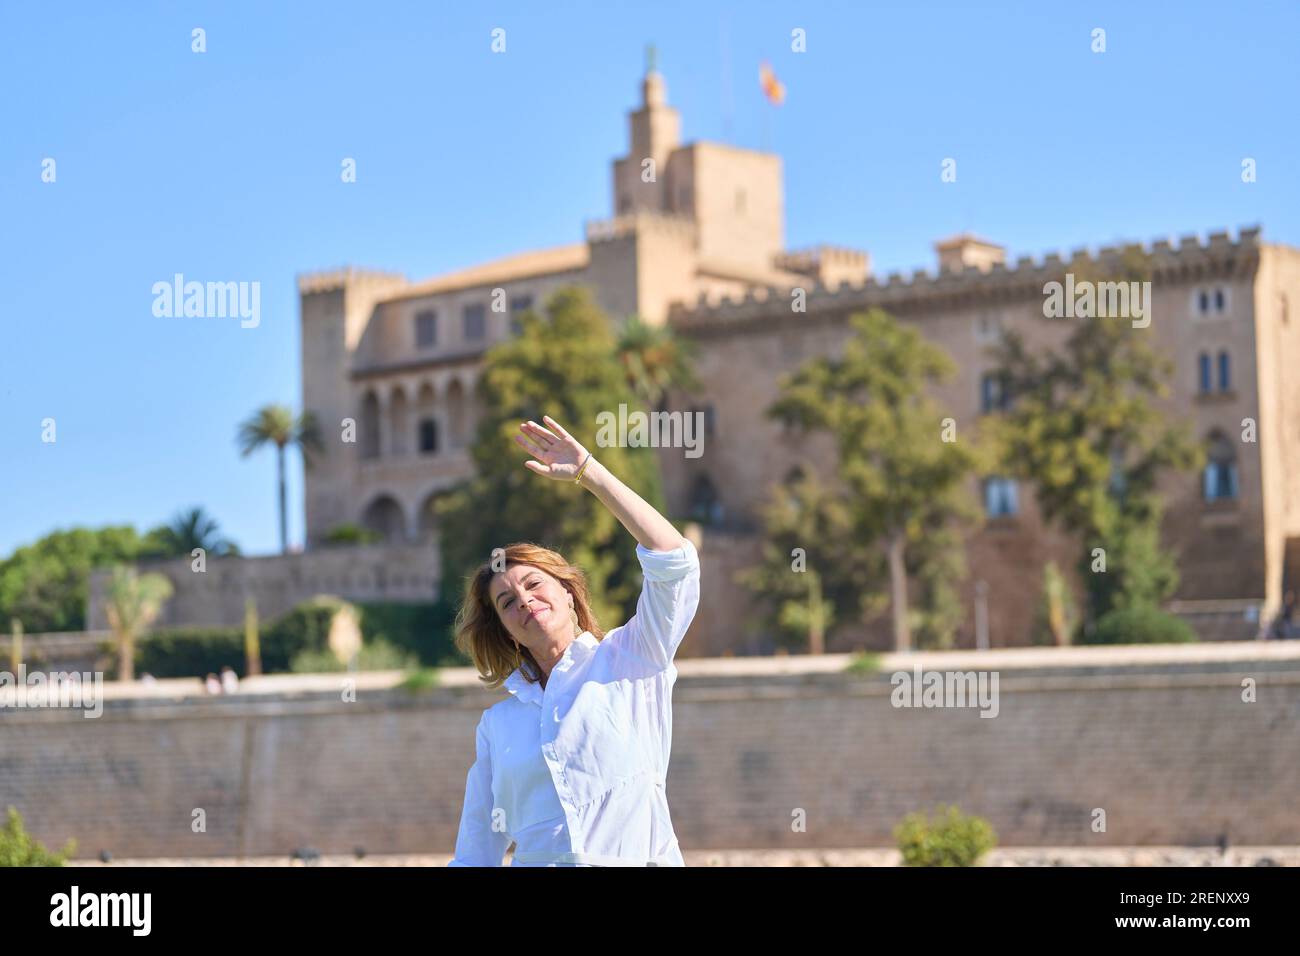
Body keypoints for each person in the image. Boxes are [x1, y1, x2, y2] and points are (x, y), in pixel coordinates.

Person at [447, 416, 701, 867]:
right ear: (504, 628)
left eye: (533, 584)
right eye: (506, 601)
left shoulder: (633, 659)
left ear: (567, 591)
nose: (523, 600)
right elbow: (475, 852)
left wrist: (590, 473)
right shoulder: (497, 727)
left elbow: (675, 562)